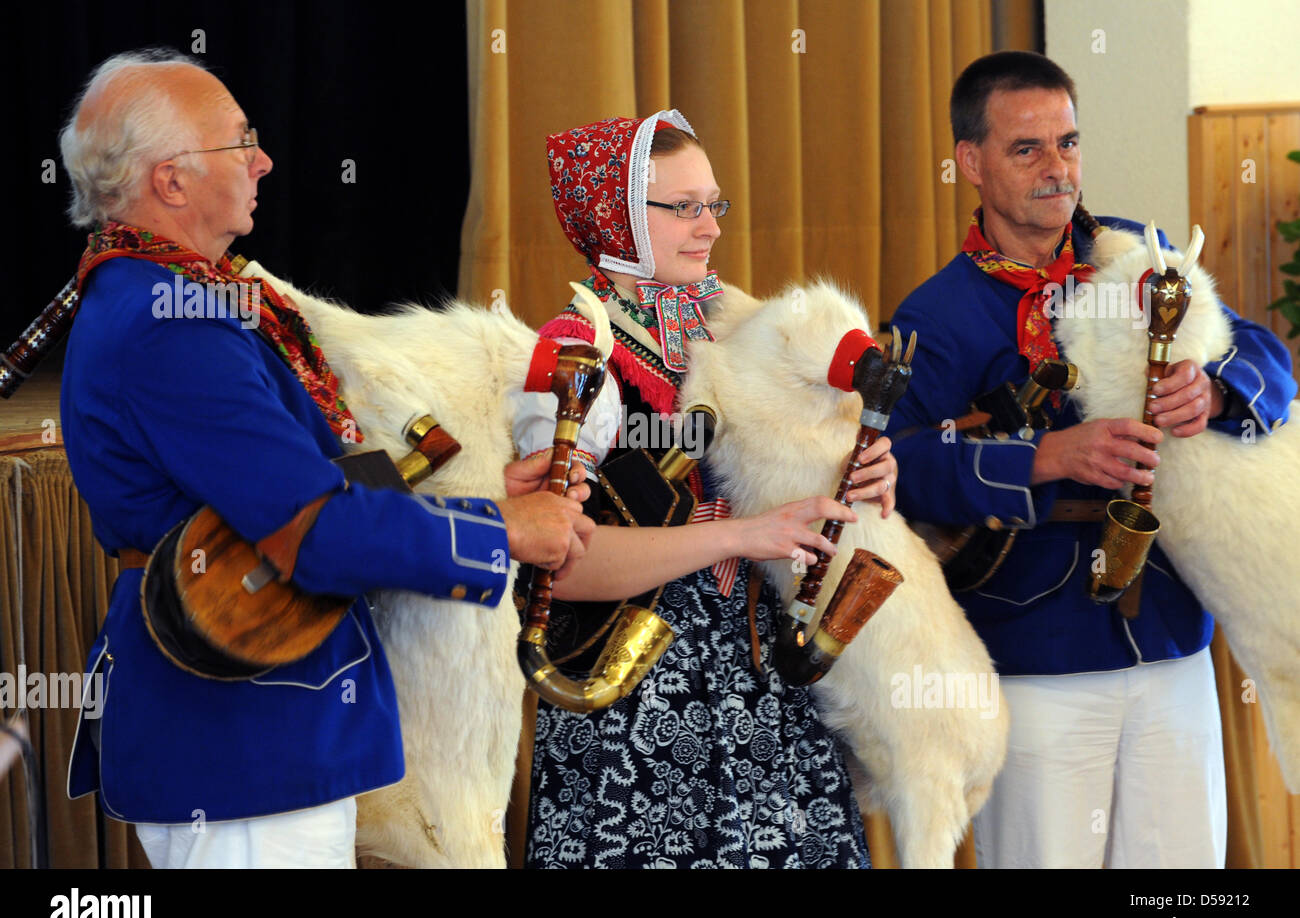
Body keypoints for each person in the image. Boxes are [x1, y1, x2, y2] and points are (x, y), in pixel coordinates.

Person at [56, 48, 592, 868]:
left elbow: (302, 495)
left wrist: (485, 490)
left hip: (250, 726)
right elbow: (311, 532)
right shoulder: (175, 323)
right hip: (242, 741)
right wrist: (501, 531)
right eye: (240, 142)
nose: (263, 160)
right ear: (170, 180)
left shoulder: (162, 299)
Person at [886, 51, 1297, 868]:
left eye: (1068, 143)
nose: (1057, 168)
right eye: (1027, 149)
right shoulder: (936, 313)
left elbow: (1268, 358)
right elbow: (895, 468)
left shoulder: (1137, 255)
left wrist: (1214, 392)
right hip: (1035, 652)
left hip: (1174, 642)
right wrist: (1043, 457)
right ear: (970, 161)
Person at [512, 111, 898, 868]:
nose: (709, 227)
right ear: (615, 215)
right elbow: (562, 564)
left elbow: (798, 478)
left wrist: (867, 469)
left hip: (766, 680)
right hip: (637, 698)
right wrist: (736, 534)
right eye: (682, 207)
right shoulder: (574, 352)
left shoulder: (739, 327)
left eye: (713, 204)